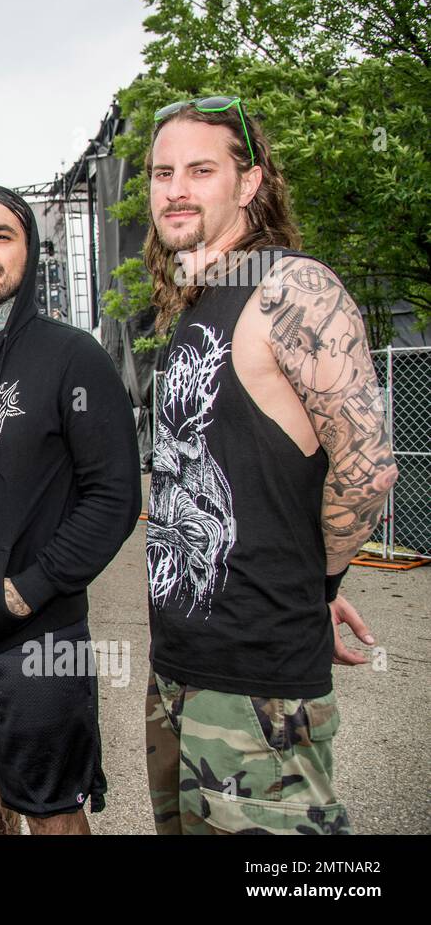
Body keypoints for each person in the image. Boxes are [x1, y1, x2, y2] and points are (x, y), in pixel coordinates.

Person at [141, 96, 398, 834]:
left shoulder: (290, 287)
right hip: (178, 671)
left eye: (201, 169)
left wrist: (319, 584)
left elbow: (371, 466)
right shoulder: (196, 304)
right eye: (163, 172)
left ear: (248, 184)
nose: (176, 189)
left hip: (258, 690)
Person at [0, 184, 140, 834]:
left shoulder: (71, 356)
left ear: (29, 254)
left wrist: (27, 589)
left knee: (51, 807)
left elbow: (114, 495)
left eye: (1, 235)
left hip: (33, 640)